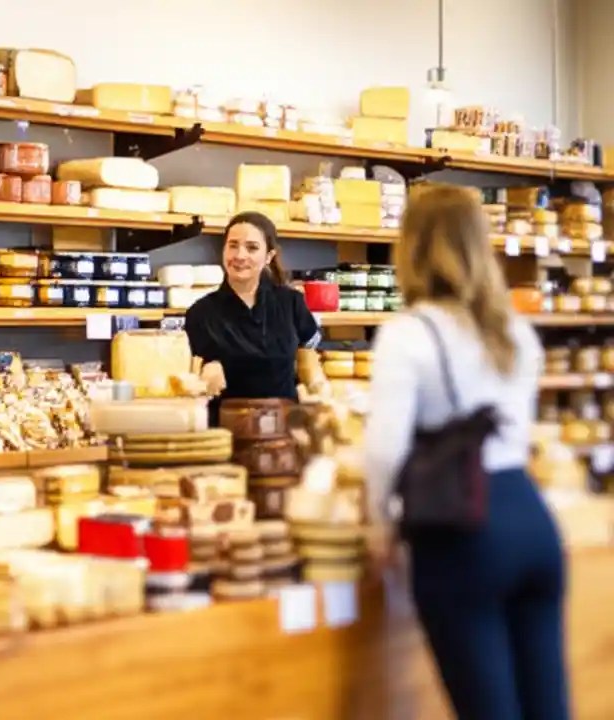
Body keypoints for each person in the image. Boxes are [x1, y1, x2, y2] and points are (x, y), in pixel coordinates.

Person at [363, 185, 568, 719]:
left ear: (412, 247)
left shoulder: (409, 333)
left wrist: (379, 523)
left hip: (463, 528)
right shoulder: (514, 331)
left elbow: (385, 449)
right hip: (530, 520)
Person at [185, 211, 321, 416]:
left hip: (283, 429)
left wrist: (321, 393)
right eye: (233, 245)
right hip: (227, 430)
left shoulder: (291, 302)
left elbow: (309, 363)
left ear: (269, 256)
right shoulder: (201, 312)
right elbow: (194, 376)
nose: (240, 255)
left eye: (252, 248)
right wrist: (206, 375)